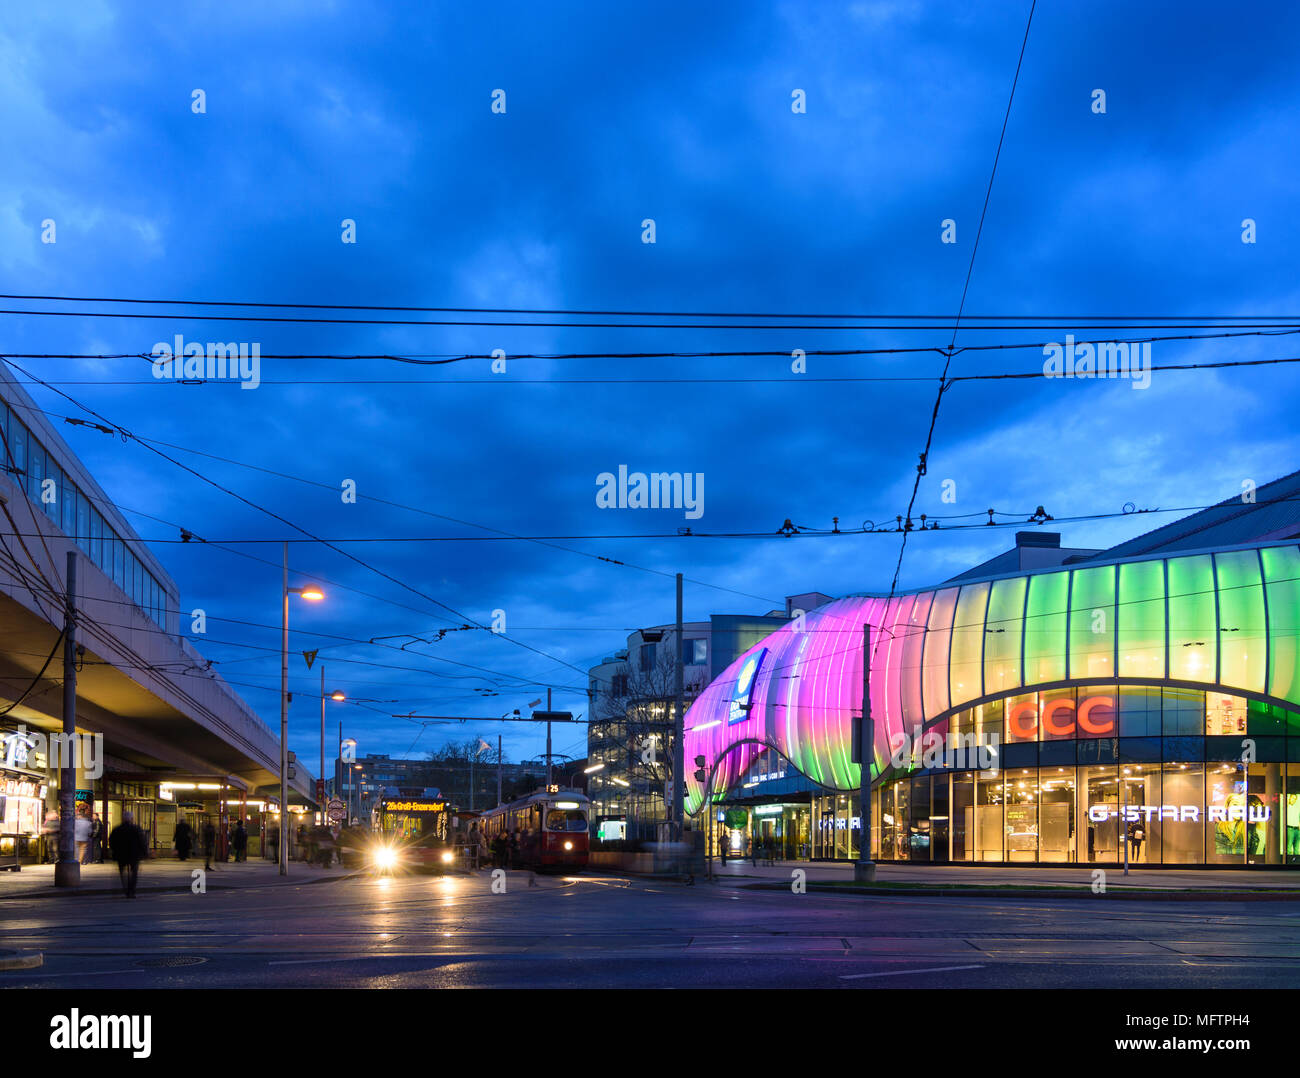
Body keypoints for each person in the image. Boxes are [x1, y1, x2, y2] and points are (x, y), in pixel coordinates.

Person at [108, 811, 148, 898]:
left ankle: (126, 889)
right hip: (134, 855)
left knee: (123, 873)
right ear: (132, 819)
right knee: (134, 873)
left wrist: (114, 851)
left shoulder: (117, 829)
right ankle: (132, 891)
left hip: (121, 855)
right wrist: (145, 852)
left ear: (123, 818)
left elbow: (111, 842)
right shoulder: (136, 829)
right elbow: (142, 841)